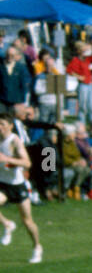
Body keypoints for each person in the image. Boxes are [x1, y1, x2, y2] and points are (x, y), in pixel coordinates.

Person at [0, 111, 41, 262]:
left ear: (10, 126)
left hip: (18, 186)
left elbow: (27, 163)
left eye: (2, 124)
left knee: (27, 221)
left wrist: (7, 159)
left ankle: (37, 247)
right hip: (3, 184)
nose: (0, 127)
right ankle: (7, 224)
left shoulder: (14, 141)